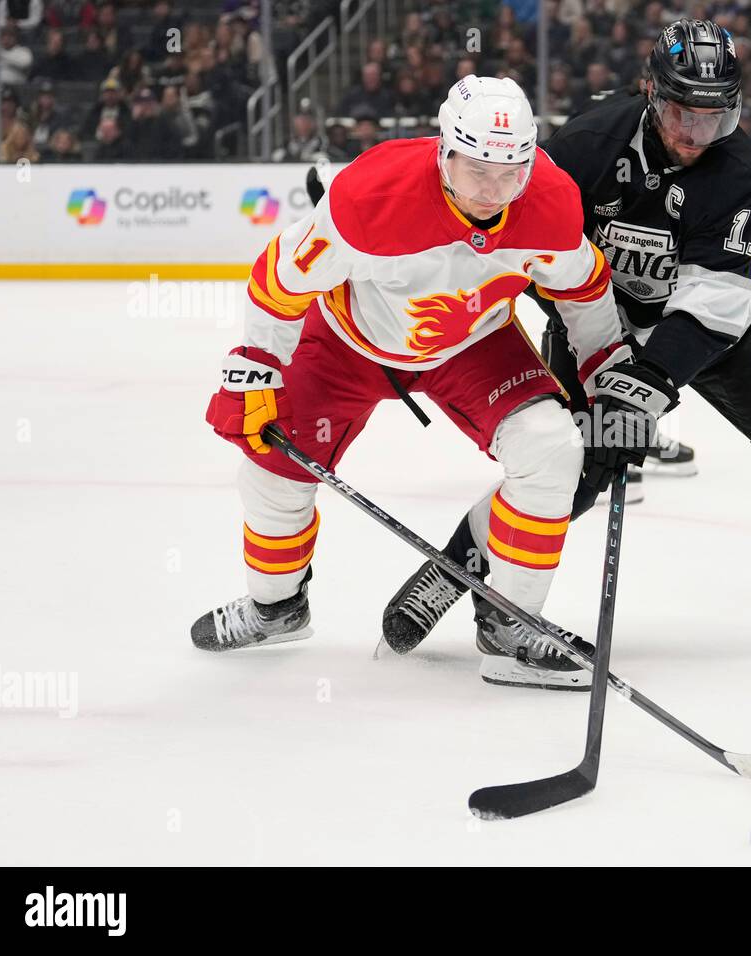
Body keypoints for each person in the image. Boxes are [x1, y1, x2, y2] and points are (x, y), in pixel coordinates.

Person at [381, 20, 751, 657]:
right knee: (567, 471)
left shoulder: (740, 171)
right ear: (651, 93)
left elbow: (714, 298)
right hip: (595, 327)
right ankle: (452, 568)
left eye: (713, 118)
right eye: (682, 113)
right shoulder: (587, 145)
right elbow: (516, 243)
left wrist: (650, 381)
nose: (694, 134)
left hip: (705, 333)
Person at [191, 76, 630, 691]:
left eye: (511, 172)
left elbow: (585, 291)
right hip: (347, 343)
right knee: (270, 474)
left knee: (552, 447)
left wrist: (609, 373)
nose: (492, 190)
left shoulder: (551, 200)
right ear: (445, 148)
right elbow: (277, 280)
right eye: (477, 169)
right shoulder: (371, 196)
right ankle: (275, 607)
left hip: (473, 342)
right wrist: (255, 367)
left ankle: (512, 629)